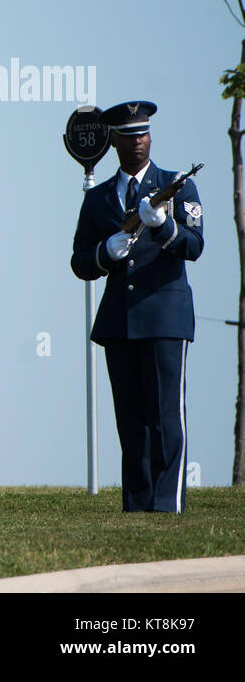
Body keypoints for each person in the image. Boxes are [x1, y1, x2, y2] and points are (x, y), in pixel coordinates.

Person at [71, 100, 203, 513]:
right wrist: (104, 252)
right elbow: (79, 261)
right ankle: (138, 503)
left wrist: (164, 226)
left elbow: (194, 246)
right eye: (128, 136)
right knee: (131, 422)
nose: (138, 142)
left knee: (166, 419)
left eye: (143, 134)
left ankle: (167, 504)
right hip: (120, 321)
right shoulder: (98, 199)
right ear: (113, 140)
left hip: (164, 317)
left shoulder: (177, 185)